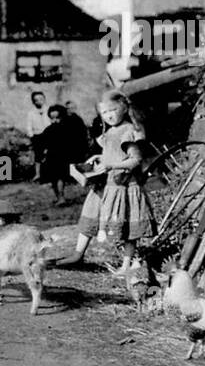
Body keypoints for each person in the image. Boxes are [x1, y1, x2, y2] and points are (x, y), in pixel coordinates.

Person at [57, 90, 154, 271]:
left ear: (124, 108)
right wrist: (98, 158)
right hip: (106, 183)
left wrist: (111, 165)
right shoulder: (110, 132)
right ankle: (78, 254)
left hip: (122, 185)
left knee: (126, 224)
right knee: (91, 214)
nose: (109, 115)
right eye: (105, 112)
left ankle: (126, 264)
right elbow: (112, 154)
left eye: (113, 110)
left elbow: (135, 160)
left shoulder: (128, 131)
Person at [37, 105, 77, 203]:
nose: (55, 120)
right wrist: (43, 153)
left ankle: (61, 197)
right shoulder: (49, 129)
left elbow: (71, 143)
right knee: (53, 179)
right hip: (51, 157)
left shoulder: (66, 129)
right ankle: (58, 197)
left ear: (62, 117)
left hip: (62, 157)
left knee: (60, 178)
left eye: (57, 118)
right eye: (52, 118)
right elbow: (43, 142)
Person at [26, 91, 51, 182]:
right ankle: (38, 174)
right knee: (38, 156)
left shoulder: (49, 110)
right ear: (33, 102)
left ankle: (49, 174)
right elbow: (29, 125)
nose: (39, 102)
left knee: (49, 154)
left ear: (44, 99)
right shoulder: (31, 113)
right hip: (37, 136)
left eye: (41, 99)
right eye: (36, 100)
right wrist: (31, 135)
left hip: (48, 135)